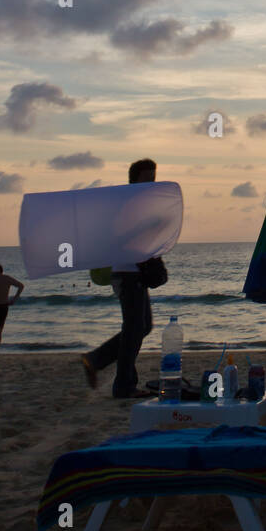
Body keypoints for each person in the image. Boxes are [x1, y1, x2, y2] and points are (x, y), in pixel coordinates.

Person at [81, 158, 159, 399]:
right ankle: (123, 384)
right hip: (127, 273)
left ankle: (96, 360)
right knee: (135, 328)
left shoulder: (139, 204)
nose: (151, 182)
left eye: (153, 178)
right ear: (134, 179)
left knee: (142, 326)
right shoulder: (129, 204)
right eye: (147, 178)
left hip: (134, 273)